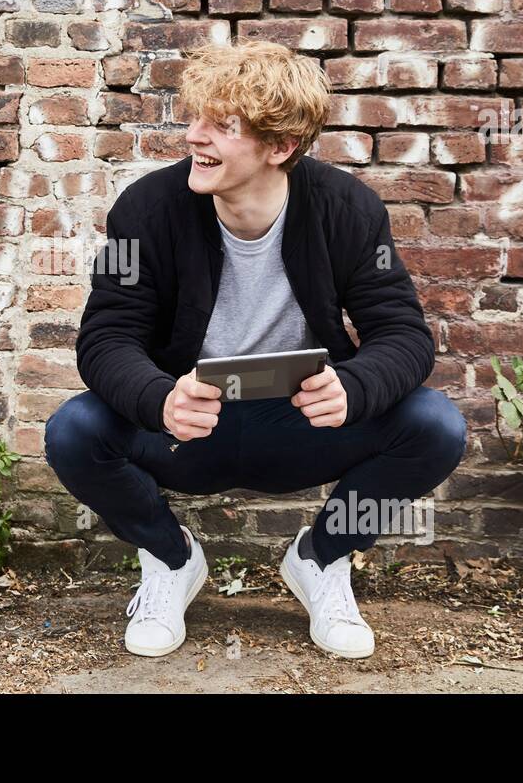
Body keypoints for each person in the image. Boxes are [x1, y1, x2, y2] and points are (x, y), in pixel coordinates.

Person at [44, 39, 468, 659]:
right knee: (73, 430)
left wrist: (354, 387)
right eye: (194, 118)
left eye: (222, 126)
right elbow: (107, 336)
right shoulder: (145, 210)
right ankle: (169, 559)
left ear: (280, 147)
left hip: (300, 427)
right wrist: (160, 397)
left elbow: (403, 333)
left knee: (436, 425)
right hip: (187, 427)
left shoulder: (349, 210)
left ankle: (322, 560)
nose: (195, 136)